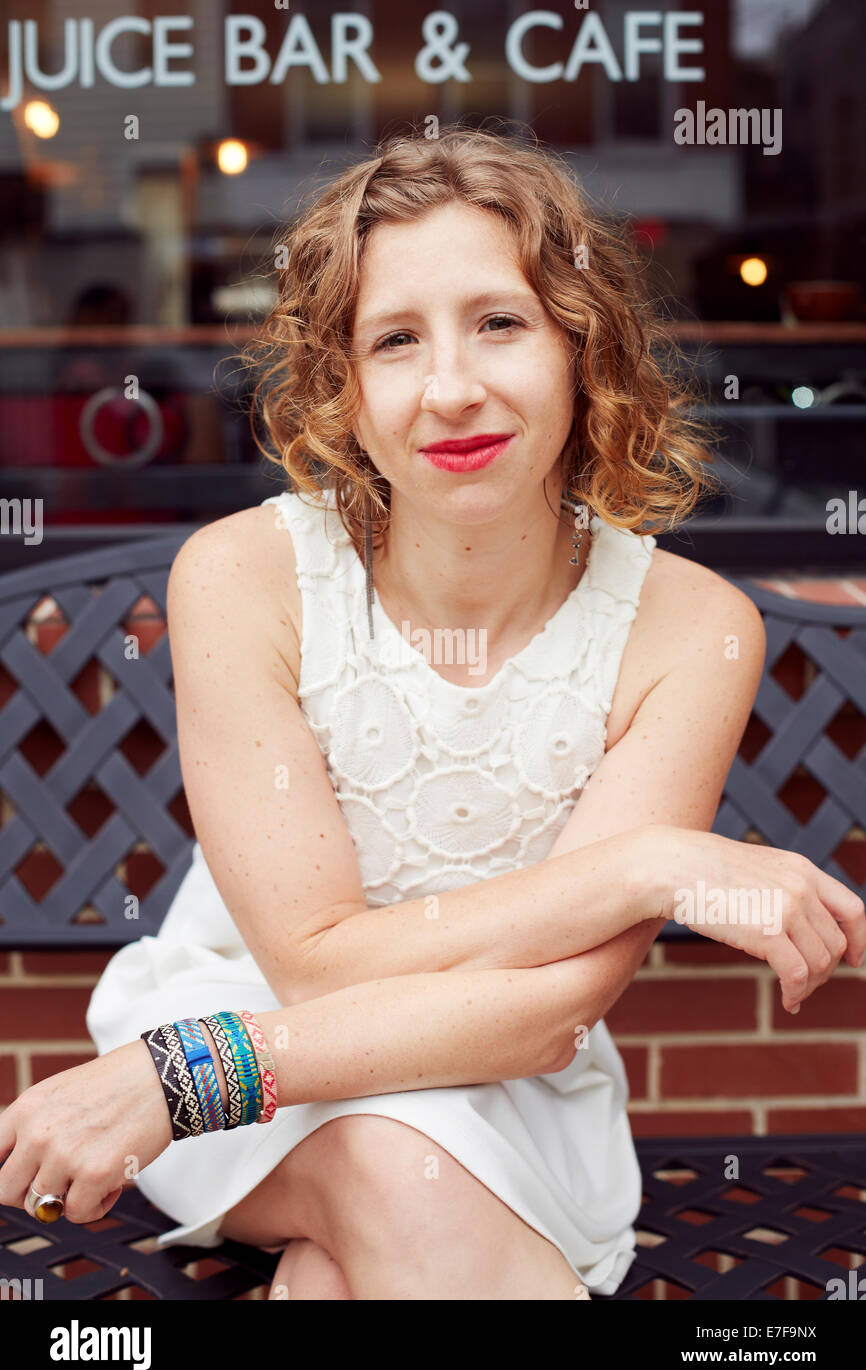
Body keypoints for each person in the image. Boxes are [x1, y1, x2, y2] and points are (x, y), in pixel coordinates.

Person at [1, 124, 863, 1302]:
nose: (450, 388)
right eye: (393, 340)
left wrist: (179, 1078)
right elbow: (311, 965)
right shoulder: (244, 576)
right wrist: (650, 868)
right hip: (259, 1048)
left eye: (498, 322)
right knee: (406, 1187)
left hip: (497, 1090)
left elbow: (544, 1016)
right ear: (343, 390)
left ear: (580, 346)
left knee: (379, 1228)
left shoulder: (686, 624)